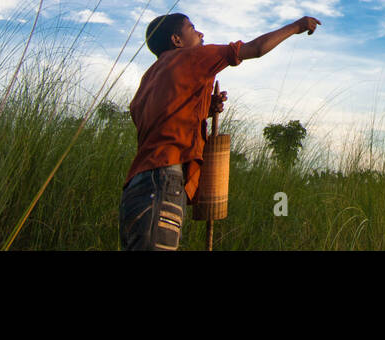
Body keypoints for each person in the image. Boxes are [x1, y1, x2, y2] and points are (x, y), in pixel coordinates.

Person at [119, 12, 321, 250]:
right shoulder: (191, 57)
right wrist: (297, 26)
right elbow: (255, 48)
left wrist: (204, 109)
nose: (201, 33)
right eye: (192, 29)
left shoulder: (149, 79)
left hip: (136, 187)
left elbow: (164, 121)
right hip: (163, 181)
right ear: (176, 40)